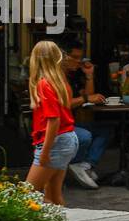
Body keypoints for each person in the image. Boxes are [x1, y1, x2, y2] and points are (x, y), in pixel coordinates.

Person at [25, 40, 79, 206]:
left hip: (56, 142)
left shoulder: (43, 84)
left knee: (27, 194)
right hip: (68, 138)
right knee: (53, 196)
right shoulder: (59, 81)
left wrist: (45, 152)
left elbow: (53, 120)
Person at [60, 43, 112, 190]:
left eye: (80, 58)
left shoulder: (73, 75)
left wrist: (89, 76)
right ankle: (76, 163)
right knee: (84, 136)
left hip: (70, 122)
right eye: (75, 57)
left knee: (105, 130)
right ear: (63, 57)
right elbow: (63, 104)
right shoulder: (57, 77)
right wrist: (86, 99)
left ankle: (86, 164)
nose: (79, 61)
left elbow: (89, 96)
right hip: (57, 125)